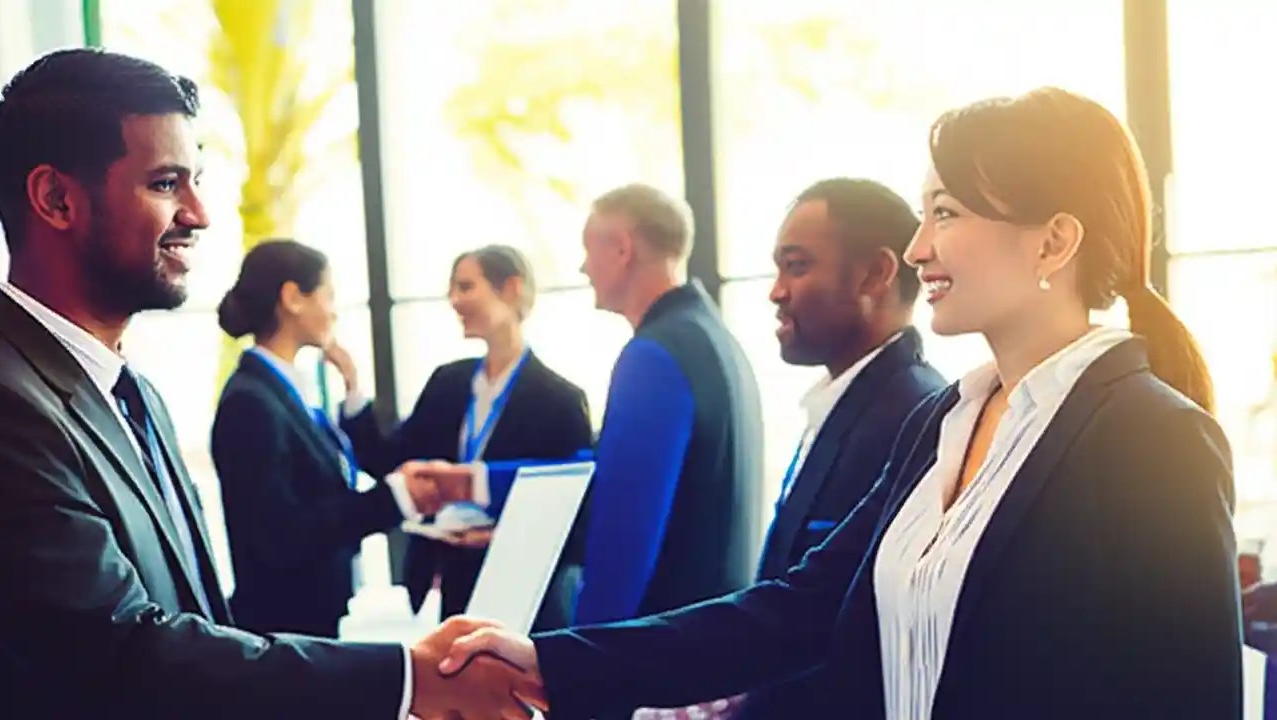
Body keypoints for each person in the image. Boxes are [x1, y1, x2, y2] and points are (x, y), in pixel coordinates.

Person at [438, 88, 1241, 719]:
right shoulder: (945, 424)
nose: (920, 248)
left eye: (947, 213)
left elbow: (1189, 704)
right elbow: (798, 611)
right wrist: (552, 659)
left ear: (1054, 242)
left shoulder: (1152, 438)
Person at [0, 48, 538, 718]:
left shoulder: (136, 395)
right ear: (55, 199)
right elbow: (119, 651)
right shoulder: (9, 401)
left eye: (196, 181)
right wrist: (408, 679)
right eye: (166, 183)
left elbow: (195, 614)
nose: (199, 213)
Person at [727, 178, 946, 719]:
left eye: (797, 267)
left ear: (876, 272)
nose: (776, 290)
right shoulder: (850, 402)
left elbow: (835, 626)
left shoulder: (916, 417)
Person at [328, 244, 594, 626]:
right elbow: (392, 462)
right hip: (452, 582)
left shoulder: (560, 400)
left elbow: (572, 510)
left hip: (523, 590)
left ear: (511, 289)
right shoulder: (447, 383)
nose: (454, 300)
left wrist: (499, 533)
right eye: (452, 289)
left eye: (466, 287)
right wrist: (353, 389)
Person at [569, 183, 764, 632]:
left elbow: (622, 543)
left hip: (664, 659)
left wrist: (575, 665)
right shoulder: (718, 340)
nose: (583, 267)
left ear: (622, 248)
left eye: (588, 248)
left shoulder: (652, 357)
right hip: (718, 635)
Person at [211, 239, 427, 638]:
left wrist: (353, 386)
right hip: (284, 630)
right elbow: (281, 533)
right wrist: (392, 500)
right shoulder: (251, 403)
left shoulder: (286, 391)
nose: (333, 310)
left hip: (310, 619)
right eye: (328, 295)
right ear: (293, 297)